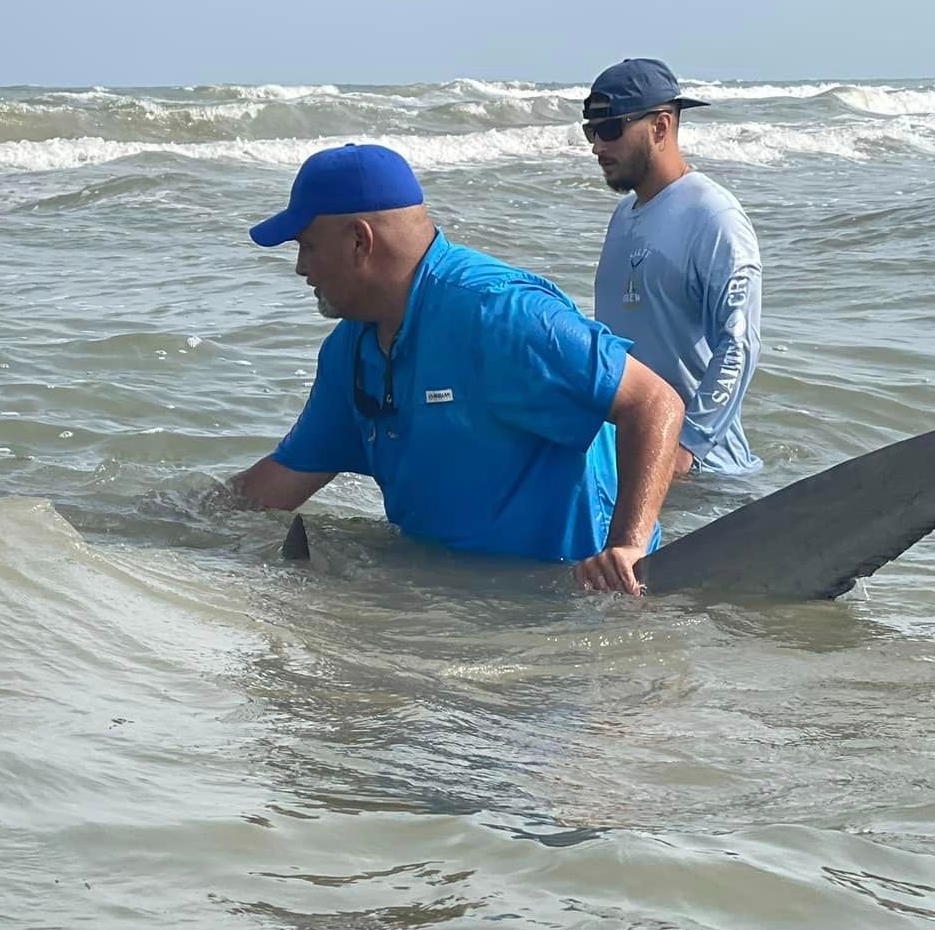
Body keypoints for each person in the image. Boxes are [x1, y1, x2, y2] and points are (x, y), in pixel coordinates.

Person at [231, 143, 685, 596]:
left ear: (359, 241)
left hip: (579, 595)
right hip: (452, 601)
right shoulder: (349, 350)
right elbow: (277, 484)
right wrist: (191, 523)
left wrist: (628, 546)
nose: (301, 267)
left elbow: (654, 402)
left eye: (308, 246)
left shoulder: (502, 315)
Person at [585, 57, 763, 477]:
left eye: (610, 130)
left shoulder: (714, 217)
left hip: (705, 477)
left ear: (661, 126)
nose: (597, 147)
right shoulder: (623, 215)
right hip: (633, 465)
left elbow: (739, 343)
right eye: (591, 132)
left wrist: (688, 446)